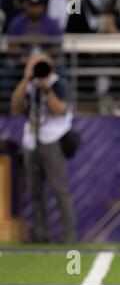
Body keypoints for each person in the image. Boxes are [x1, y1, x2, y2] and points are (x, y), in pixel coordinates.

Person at [10, 53, 76, 243]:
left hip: (52, 139)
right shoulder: (29, 85)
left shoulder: (58, 84)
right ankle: (40, 235)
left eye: (42, 65)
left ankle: (69, 237)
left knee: (59, 189)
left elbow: (59, 110)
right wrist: (26, 78)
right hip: (32, 139)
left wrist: (46, 89)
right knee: (34, 190)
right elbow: (15, 106)